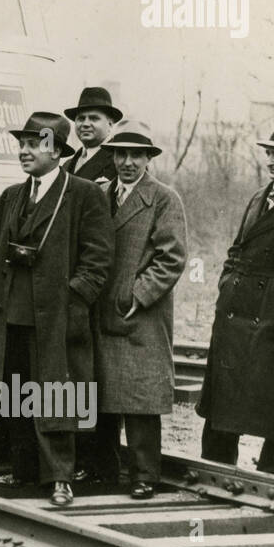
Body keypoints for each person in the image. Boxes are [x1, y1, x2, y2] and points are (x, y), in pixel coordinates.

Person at [0, 111, 112, 507]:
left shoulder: (84, 193)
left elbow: (99, 259)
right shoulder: (13, 196)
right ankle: (23, 470)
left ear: (57, 151)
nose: (25, 151)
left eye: (35, 143)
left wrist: (73, 300)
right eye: (22, 143)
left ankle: (60, 478)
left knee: (56, 392)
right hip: (12, 311)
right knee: (15, 389)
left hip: (57, 315)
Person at [197, 117, 274, 477]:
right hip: (236, 308)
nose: (271, 160)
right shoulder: (259, 196)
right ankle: (215, 474)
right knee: (225, 396)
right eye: (270, 153)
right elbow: (237, 248)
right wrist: (226, 282)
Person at [92, 120, 188, 499]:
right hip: (101, 309)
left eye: (135, 155)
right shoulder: (100, 195)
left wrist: (137, 295)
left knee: (140, 395)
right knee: (102, 392)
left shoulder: (165, 199)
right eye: (120, 154)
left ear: (149, 158)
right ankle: (103, 469)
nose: (127, 162)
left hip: (140, 315)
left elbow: (173, 257)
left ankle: (145, 474)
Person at [63, 86, 122, 184]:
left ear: (110, 124)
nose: (85, 124)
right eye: (81, 118)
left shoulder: (120, 161)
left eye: (94, 118)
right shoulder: (67, 165)